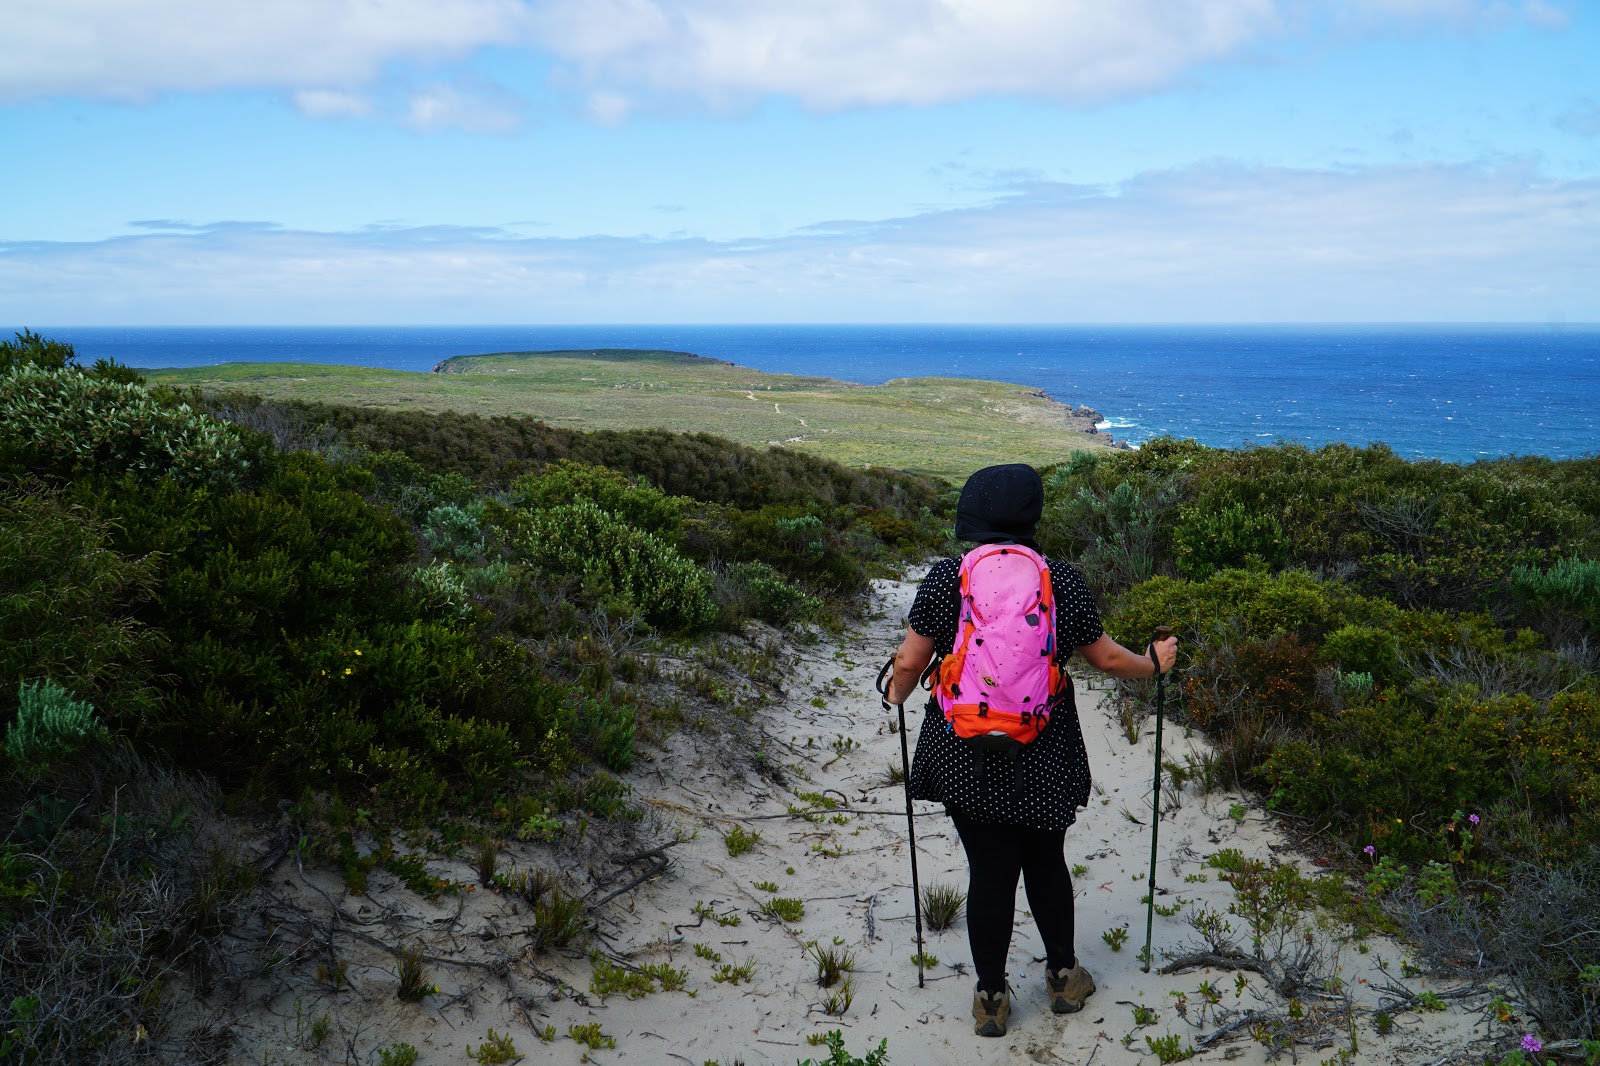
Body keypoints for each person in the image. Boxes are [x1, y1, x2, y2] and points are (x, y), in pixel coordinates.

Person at [883, 463, 1177, 1038]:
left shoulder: (947, 578)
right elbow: (1109, 660)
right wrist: (1155, 664)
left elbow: (909, 665)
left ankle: (991, 997)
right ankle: (1064, 977)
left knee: (989, 869)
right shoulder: (1060, 580)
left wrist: (893, 690)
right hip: (1044, 747)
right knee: (1046, 861)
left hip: (964, 748)